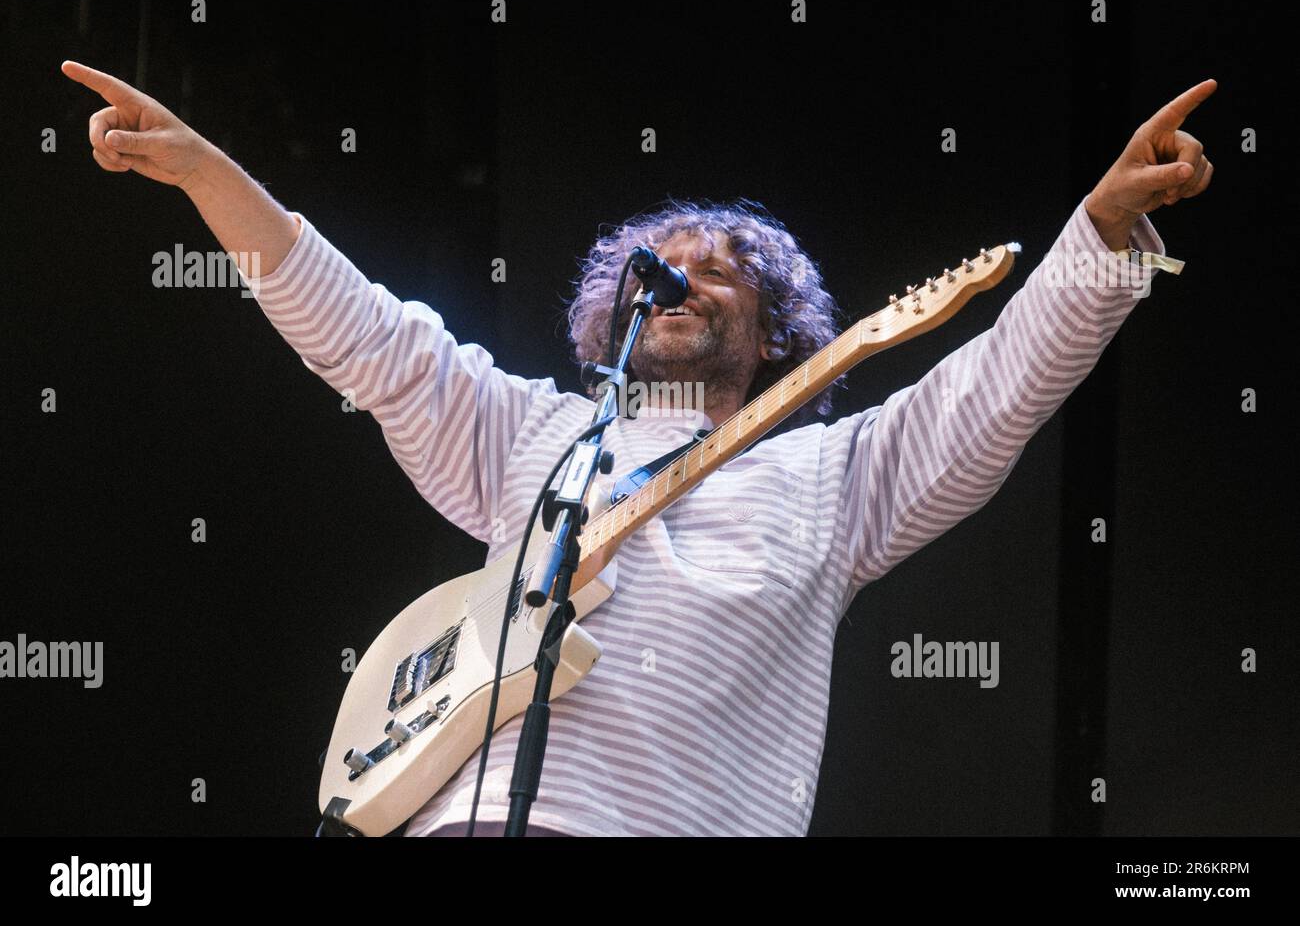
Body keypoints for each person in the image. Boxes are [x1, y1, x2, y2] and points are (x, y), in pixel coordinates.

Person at [62, 60, 1215, 836]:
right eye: (657, 267)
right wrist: (206, 171)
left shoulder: (834, 475)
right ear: (607, 316)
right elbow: (364, 330)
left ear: (774, 333)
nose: (684, 278)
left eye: (721, 272)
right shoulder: (533, 433)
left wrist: (1102, 226)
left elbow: (1000, 384)